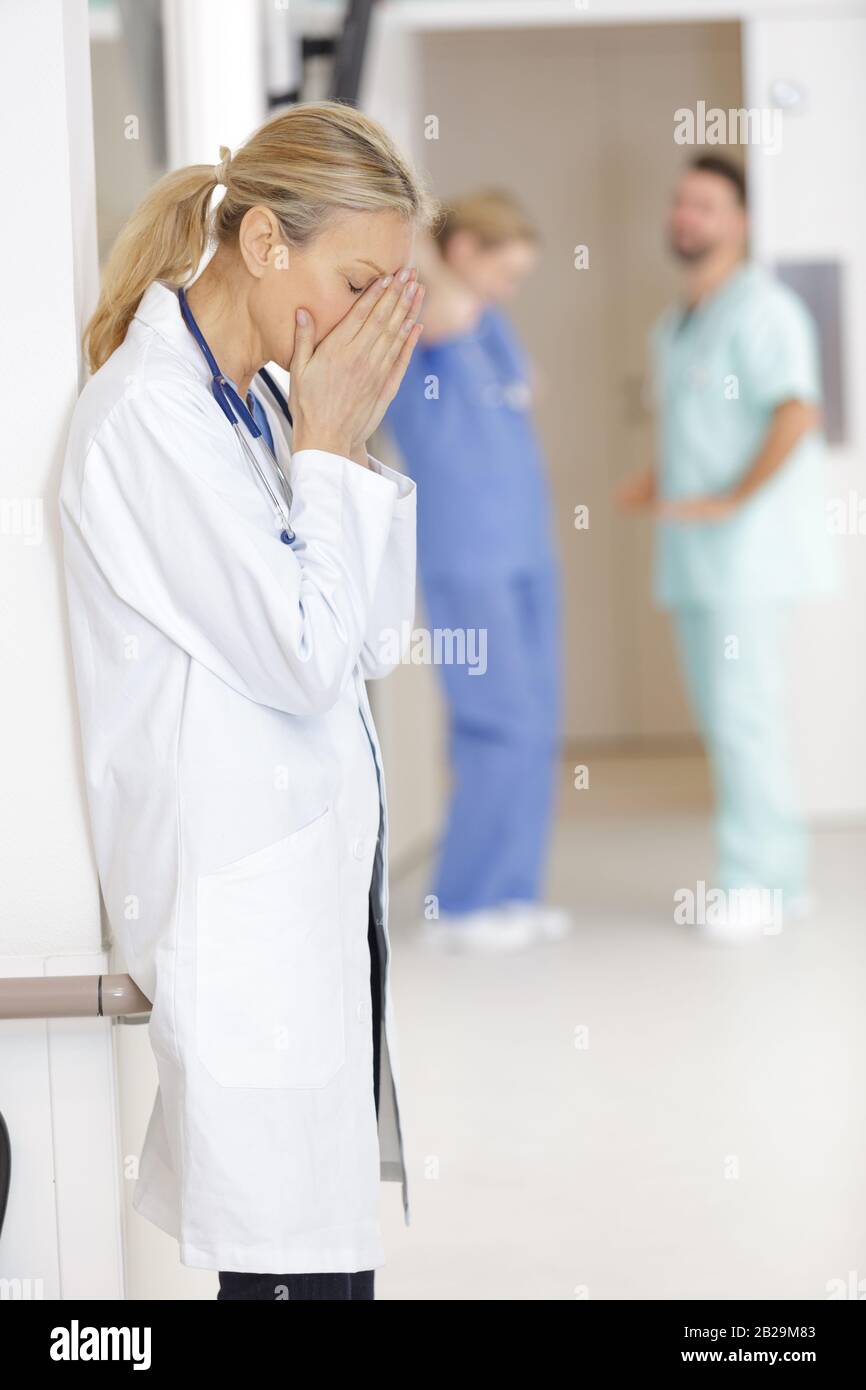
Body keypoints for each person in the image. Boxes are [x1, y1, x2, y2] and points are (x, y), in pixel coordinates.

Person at [58, 100, 437, 1299]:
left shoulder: (265, 405)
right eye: (360, 279)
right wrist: (325, 449)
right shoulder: (148, 419)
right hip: (242, 944)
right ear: (266, 243)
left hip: (307, 931)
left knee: (321, 1275)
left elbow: (373, 636)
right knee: (293, 1287)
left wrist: (343, 447)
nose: (377, 317)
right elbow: (303, 655)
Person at [616, 153, 836, 938]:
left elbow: (796, 413)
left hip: (748, 555)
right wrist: (658, 481)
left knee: (746, 720)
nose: (686, 216)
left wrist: (732, 499)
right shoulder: (676, 322)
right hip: (695, 558)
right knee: (730, 719)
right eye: (681, 203)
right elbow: (705, 429)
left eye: (705, 205)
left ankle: (760, 885)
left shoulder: (764, 310)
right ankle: (780, 877)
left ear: (740, 222)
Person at [382, 189, 570, 953]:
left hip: (524, 545)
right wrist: (434, 236)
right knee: (499, 721)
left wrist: (479, 281)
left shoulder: (486, 317)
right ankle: (463, 902)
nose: (509, 288)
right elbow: (442, 299)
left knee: (539, 721)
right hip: (468, 550)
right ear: (461, 251)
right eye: (505, 269)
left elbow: (532, 380)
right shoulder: (427, 308)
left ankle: (512, 890)